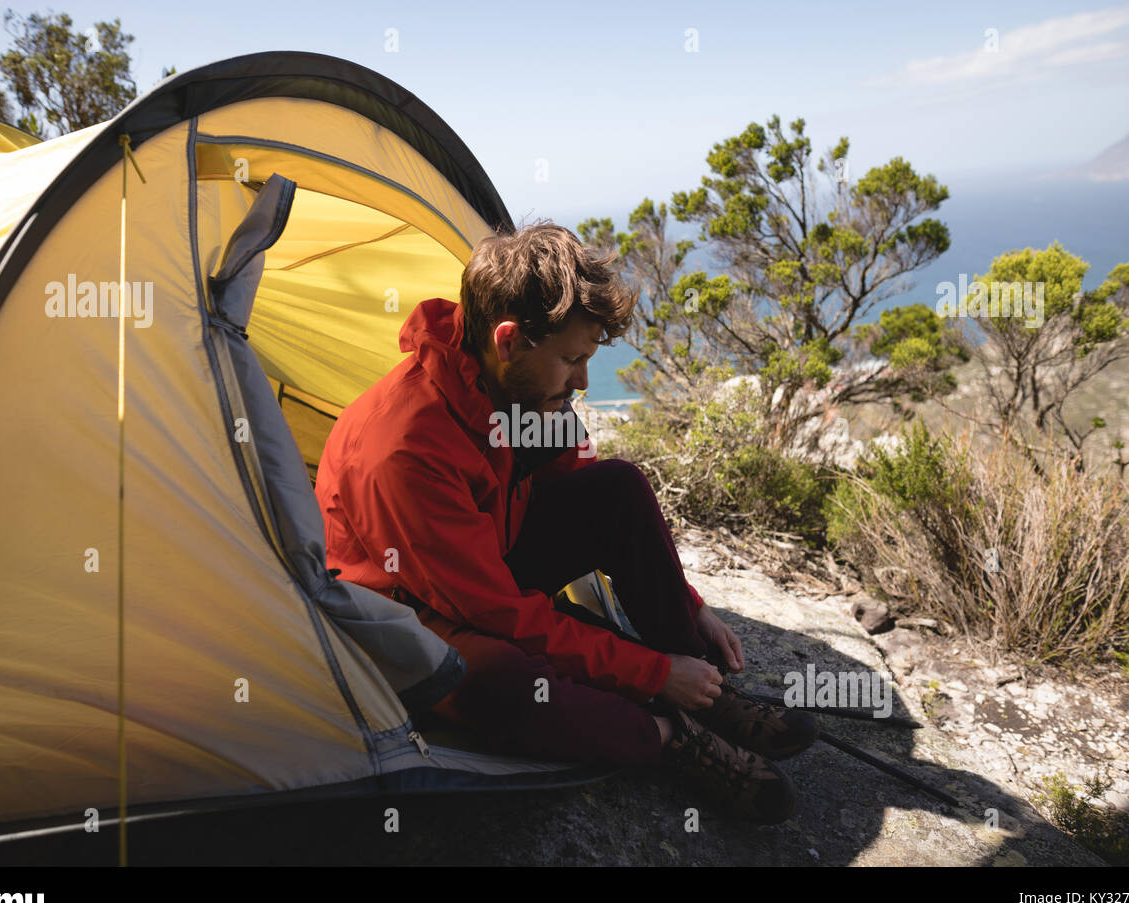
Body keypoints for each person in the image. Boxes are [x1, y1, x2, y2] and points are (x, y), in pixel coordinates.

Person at [313, 223, 817, 822]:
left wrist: (690, 606)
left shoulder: (526, 394)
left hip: (489, 559)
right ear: (509, 342)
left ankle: (702, 688)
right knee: (503, 681)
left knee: (618, 488)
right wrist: (651, 673)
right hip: (410, 614)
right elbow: (496, 613)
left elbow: (585, 487)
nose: (582, 381)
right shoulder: (405, 449)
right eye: (573, 360)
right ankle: (668, 735)